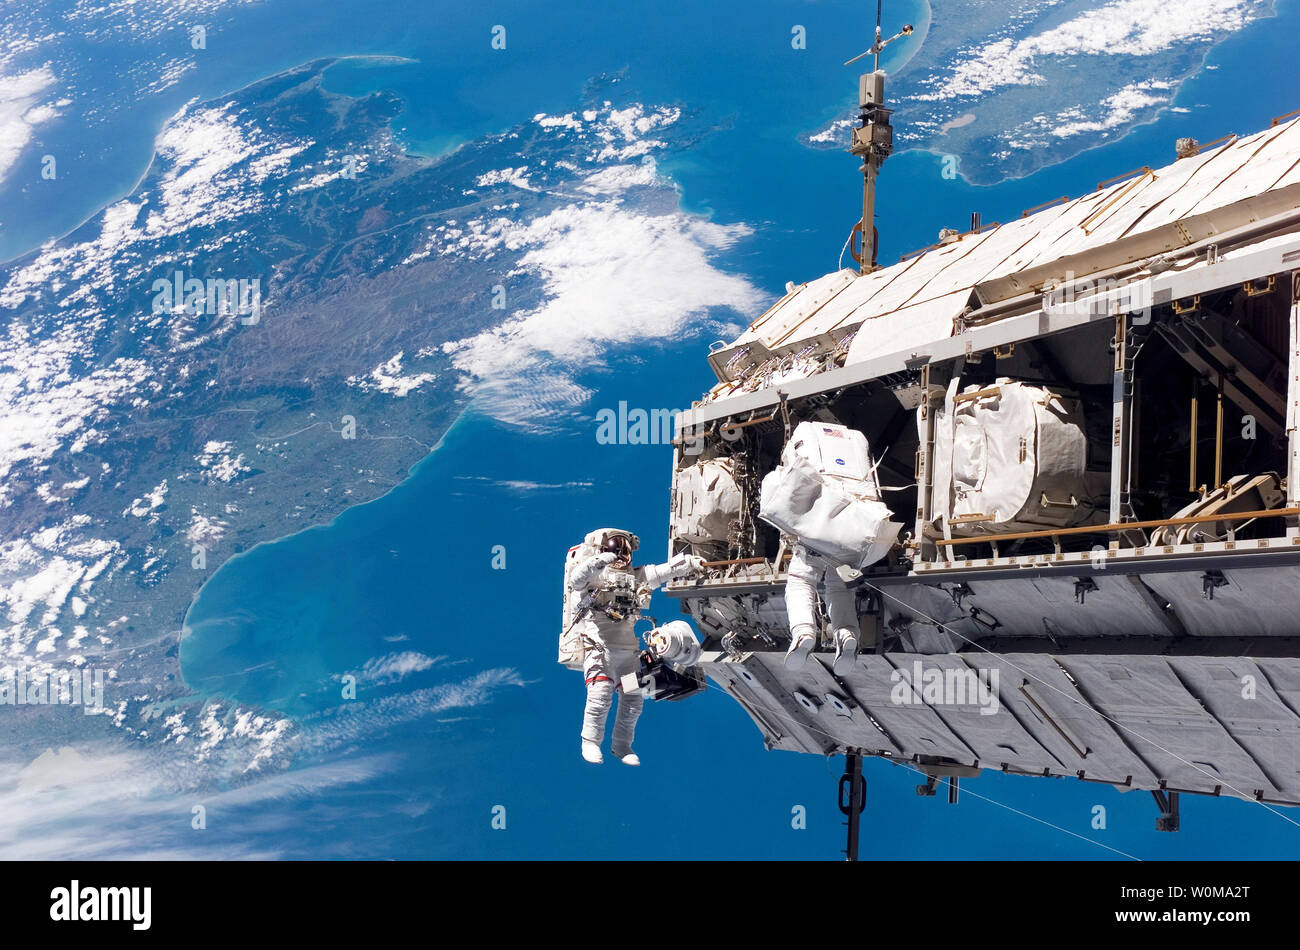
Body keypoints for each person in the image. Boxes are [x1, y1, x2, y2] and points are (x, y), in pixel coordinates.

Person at [566, 530, 704, 765]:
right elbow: (575, 580)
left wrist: (690, 563)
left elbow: (664, 571)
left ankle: (622, 746)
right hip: (601, 651)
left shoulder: (636, 578)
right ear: (603, 551)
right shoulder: (594, 579)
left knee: (633, 701)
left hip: (628, 655)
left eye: (624, 551)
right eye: (615, 550)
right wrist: (598, 562)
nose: (621, 556)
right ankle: (590, 742)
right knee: (600, 697)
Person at [783, 540, 860, 676]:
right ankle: (846, 634)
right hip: (855, 538)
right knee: (840, 587)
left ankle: (803, 632)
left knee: (801, 580)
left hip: (817, 534)